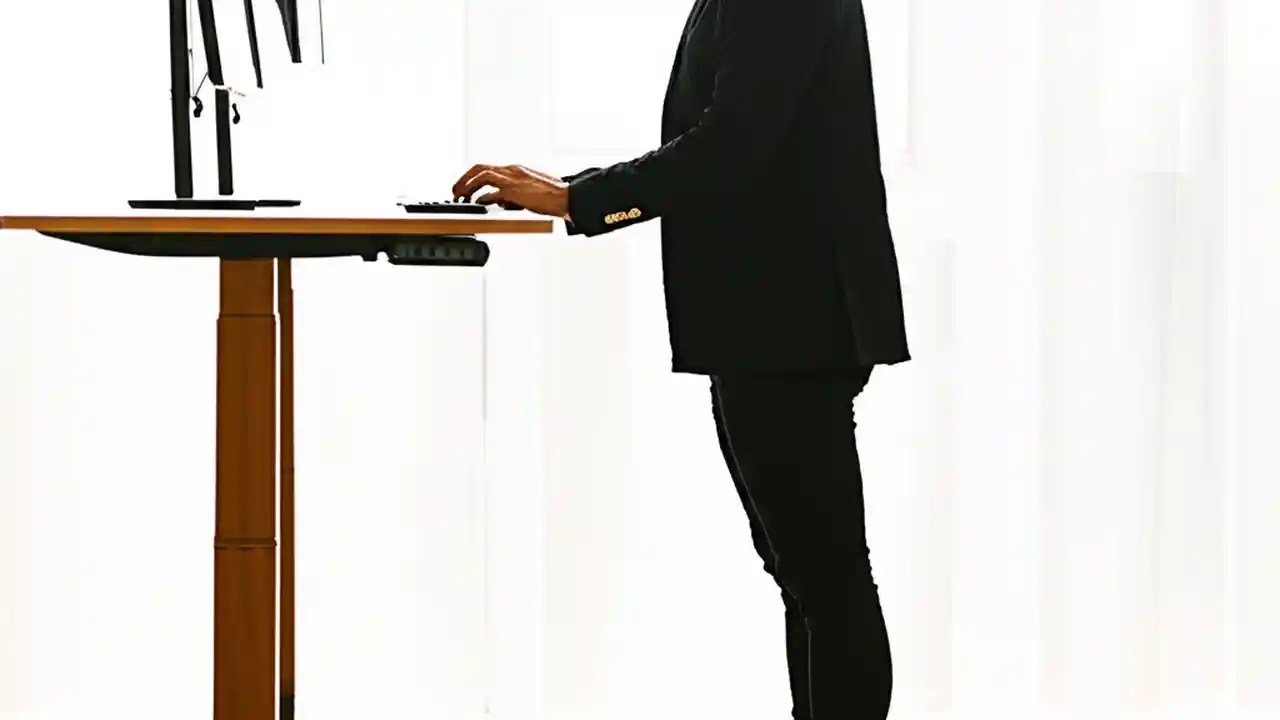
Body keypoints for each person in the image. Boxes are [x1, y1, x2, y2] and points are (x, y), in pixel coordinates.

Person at [452, 1, 908, 717]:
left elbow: (731, 147)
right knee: (809, 576)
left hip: (787, 322)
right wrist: (577, 192)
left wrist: (579, 199)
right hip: (781, 320)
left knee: (824, 579)